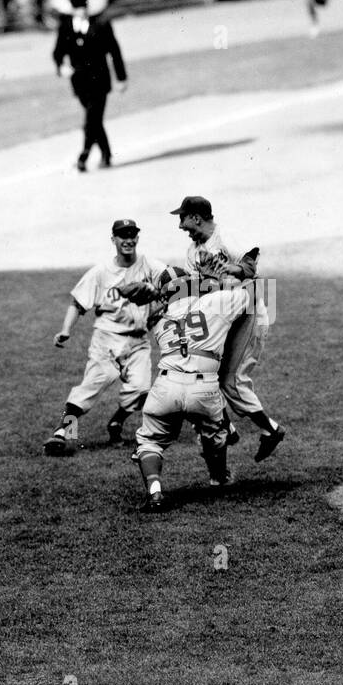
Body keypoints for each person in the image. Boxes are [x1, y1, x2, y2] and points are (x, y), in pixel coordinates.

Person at [170, 196, 285, 462]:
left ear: (196, 217)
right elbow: (196, 286)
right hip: (222, 319)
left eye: (182, 219)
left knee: (231, 382)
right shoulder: (192, 251)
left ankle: (272, 430)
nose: (180, 226)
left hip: (249, 315)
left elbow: (249, 265)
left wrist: (232, 268)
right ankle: (227, 427)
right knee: (204, 373)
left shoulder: (227, 235)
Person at [131, 267, 254, 512]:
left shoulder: (157, 319)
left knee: (149, 441)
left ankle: (155, 492)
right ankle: (219, 478)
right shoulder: (215, 301)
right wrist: (229, 277)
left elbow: (155, 310)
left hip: (166, 385)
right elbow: (249, 294)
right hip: (205, 387)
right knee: (215, 437)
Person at [43, 219, 166, 456]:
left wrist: (157, 291)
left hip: (138, 341)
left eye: (132, 235)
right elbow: (78, 303)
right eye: (123, 236)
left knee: (141, 389)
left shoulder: (150, 265)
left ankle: (116, 421)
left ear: (137, 238)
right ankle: (64, 433)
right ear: (114, 240)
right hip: (106, 339)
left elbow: (174, 280)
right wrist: (66, 330)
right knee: (94, 383)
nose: (128, 240)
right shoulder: (101, 272)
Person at [52, 0, 128, 171]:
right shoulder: (66, 27)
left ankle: (84, 155)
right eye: (78, 8)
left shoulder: (101, 25)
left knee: (91, 119)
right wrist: (60, 67)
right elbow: (58, 52)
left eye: (84, 7)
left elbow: (114, 52)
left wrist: (121, 78)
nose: (82, 12)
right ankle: (106, 153)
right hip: (79, 81)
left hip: (99, 80)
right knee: (95, 120)